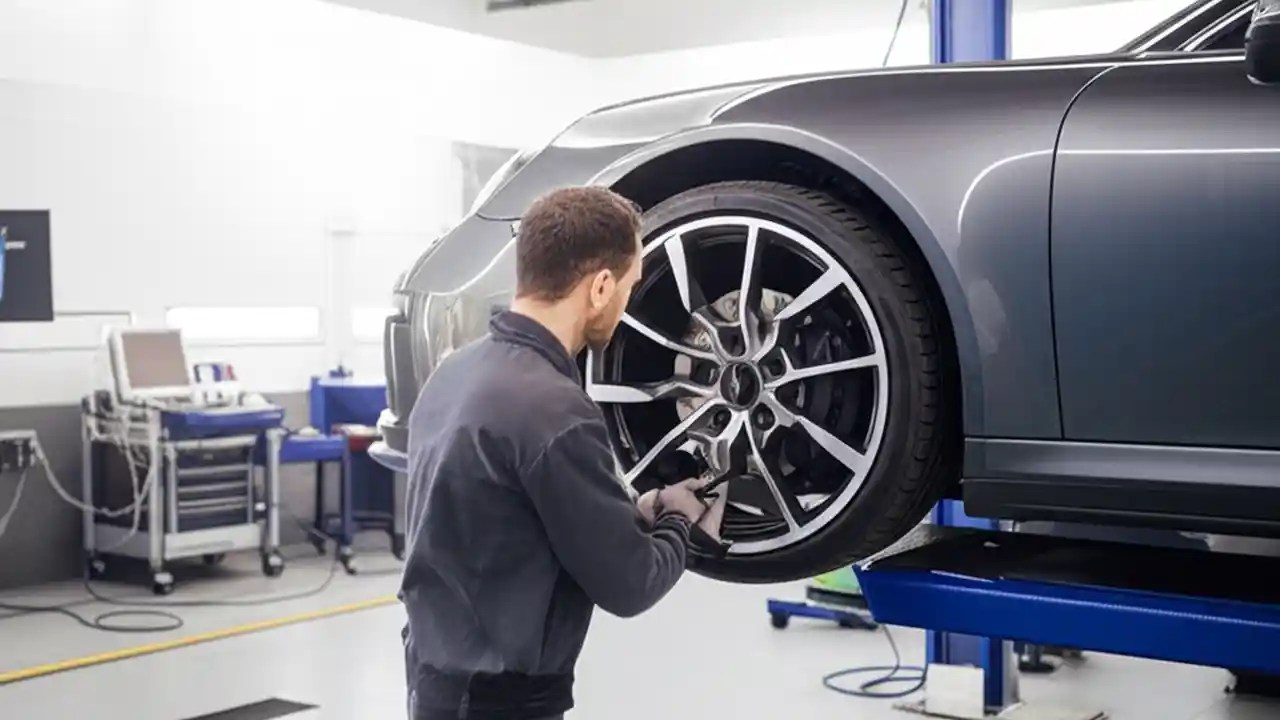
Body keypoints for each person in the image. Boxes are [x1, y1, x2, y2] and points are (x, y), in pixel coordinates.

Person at [400, 186, 728, 720]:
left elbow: (502, 522)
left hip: (432, 681)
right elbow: (630, 584)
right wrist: (681, 528)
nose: (625, 307)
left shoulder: (453, 373)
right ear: (600, 287)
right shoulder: (556, 411)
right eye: (629, 287)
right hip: (501, 704)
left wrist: (634, 514)